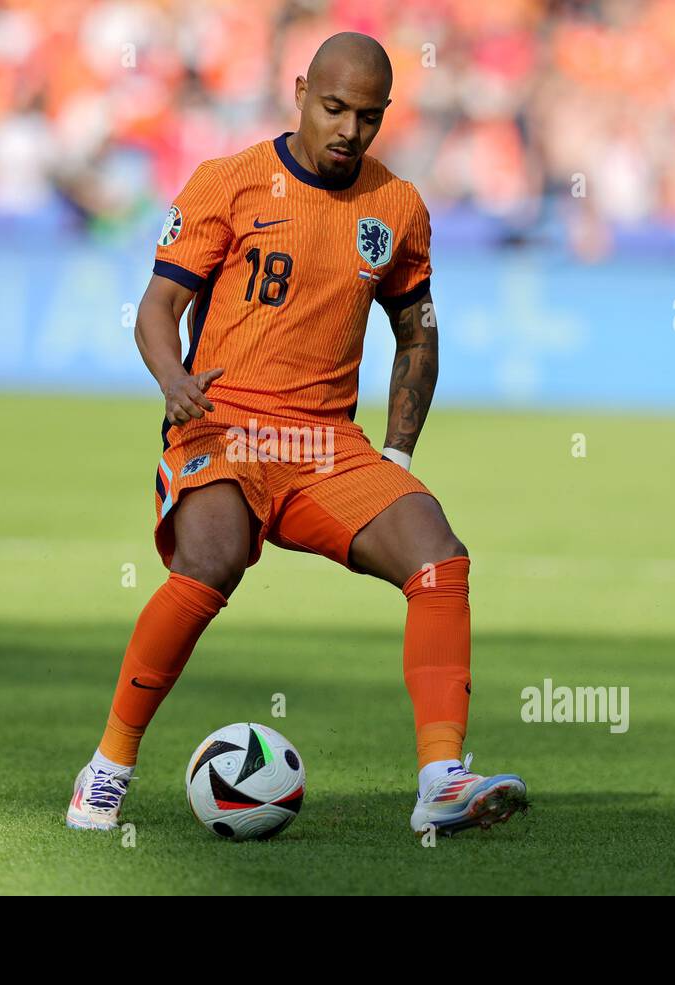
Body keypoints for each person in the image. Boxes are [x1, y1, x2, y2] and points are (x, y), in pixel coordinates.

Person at [67, 32, 526, 837]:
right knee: (208, 565)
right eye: (335, 108)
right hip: (223, 423)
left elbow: (417, 330)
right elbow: (156, 309)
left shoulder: (398, 206)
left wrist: (396, 454)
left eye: (368, 117)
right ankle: (107, 769)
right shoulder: (230, 183)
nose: (349, 130)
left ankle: (442, 778)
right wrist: (174, 380)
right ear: (300, 90)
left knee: (438, 555)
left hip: (325, 445)